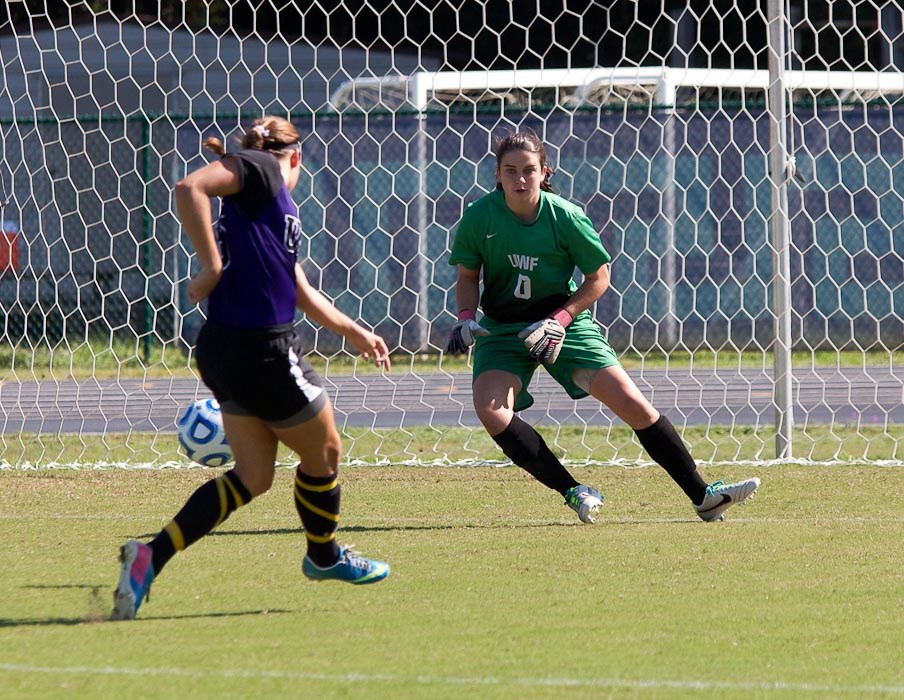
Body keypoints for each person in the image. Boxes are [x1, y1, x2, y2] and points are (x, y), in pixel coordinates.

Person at [113, 116, 391, 620]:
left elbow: (297, 286)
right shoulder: (263, 169)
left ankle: (150, 556)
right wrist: (212, 266)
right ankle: (324, 556)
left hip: (224, 348)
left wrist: (352, 331)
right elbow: (189, 187)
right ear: (296, 157)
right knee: (325, 450)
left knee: (255, 476)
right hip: (262, 348)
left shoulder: (264, 206)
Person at [444, 129, 759, 524]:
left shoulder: (565, 216)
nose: (520, 179)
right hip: (503, 330)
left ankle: (703, 497)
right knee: (492, 412)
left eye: (528, 170)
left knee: (631, 402)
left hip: (564, 325)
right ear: (497, 175)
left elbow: (599, 277)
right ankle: (574, 491)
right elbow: (467, 276)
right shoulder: (479, 216)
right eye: (510, 171)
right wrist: (466, 317)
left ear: (544, 172)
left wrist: (560, 320)